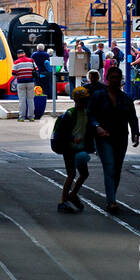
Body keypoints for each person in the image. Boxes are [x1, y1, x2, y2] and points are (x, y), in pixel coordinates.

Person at [87, 66, 140, 214]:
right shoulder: (98, 96)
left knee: (116, 169)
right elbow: (89, 114)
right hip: (103, 137)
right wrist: (97, 126)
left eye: (118, 78)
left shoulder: (126, 98)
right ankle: (111, 201)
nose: (115, 80)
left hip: (121, 137)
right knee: (109, 167)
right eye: (112, 78)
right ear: (107, 79)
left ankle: (112, 196)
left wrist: (136, 133)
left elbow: (132, 117)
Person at [53, 85, 95, 214]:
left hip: (80, 149)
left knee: (84, 174)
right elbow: (61, 132)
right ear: (76, 101)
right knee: (71, 174)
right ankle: (63, 201)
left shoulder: (87, 113)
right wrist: (72, 138)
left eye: (86, 101)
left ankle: (72, 195)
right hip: (69, 149)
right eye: (82, 101)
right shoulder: (70, 114)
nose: (84, 103)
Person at [12, 49, 35, 121]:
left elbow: (13, 73)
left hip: (21, 82)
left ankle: (22, 117)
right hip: (30, 82)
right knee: (30, 100)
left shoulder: (16, 62)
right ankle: (31, 117)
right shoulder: (31, 60)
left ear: (18, 55)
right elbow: (36, 69)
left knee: (22, 100)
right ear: (24, 53)